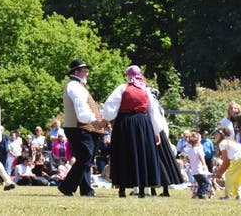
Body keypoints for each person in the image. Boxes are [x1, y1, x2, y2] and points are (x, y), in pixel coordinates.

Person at [100, 65, 161, 199]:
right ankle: (142, 189)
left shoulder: (122, 88)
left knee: (123, 153)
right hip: (142, 124)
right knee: (142, 155)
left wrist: (106, 119)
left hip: (125, 123)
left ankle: (122, 188)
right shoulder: (146, 90)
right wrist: (156, 131)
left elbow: (111, 106)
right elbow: (153, 111)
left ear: (128, 75)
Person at [58, 59, 107, 198]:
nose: (87, 73)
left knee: (85, 159)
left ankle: (86, 189)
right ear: (76, 72)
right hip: (78, 127)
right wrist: (94, 120)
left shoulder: (77, 85)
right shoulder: (74, 86)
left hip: (81, 127)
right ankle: (67, 186)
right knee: (85, 157)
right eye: (84, 70)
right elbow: (82, 110)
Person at [147, 87, 184, 196]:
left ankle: (154, 190)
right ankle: (164, 190)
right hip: (162, 135)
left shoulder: (152, 107)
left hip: (154, 134)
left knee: (154, 162)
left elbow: (154, 121)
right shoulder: (159, 107)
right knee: (164, 162)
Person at [183, 130, 211, 199]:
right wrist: (204, 165)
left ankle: (199, 194)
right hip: (199, 170)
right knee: (207, 183)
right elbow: (201, 157)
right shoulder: (198, 149)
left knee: (200, 184)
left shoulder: (190, 150)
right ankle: (201, 193)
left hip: (194, 171)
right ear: (198, 140)